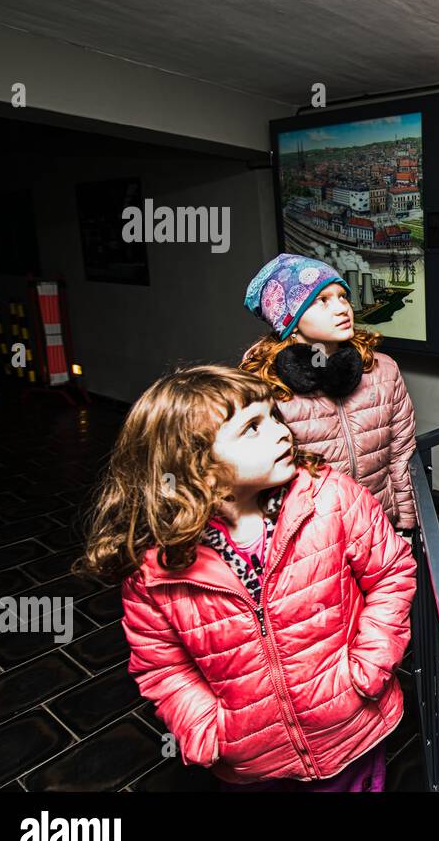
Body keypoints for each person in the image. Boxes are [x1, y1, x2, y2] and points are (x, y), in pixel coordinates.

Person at [80, 365, 417, 791]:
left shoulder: (331, 498)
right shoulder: (155, 569)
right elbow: (162, 665)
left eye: (274, 416)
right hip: (253, 760)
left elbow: (391, 573)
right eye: (252, 428)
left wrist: (367, 667)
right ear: (196, 466)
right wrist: (207, 729)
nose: (281, 431)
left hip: (349, 733)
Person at [239, 253, 417, 535]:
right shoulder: (261, 387)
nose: (341, 309)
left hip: (381, 527)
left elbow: (401, 455)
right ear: (291, 321)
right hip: (313, 542)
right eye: (322, 300)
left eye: (342, 297)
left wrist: (406, 526)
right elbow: (257, 484)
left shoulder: (384, 370)